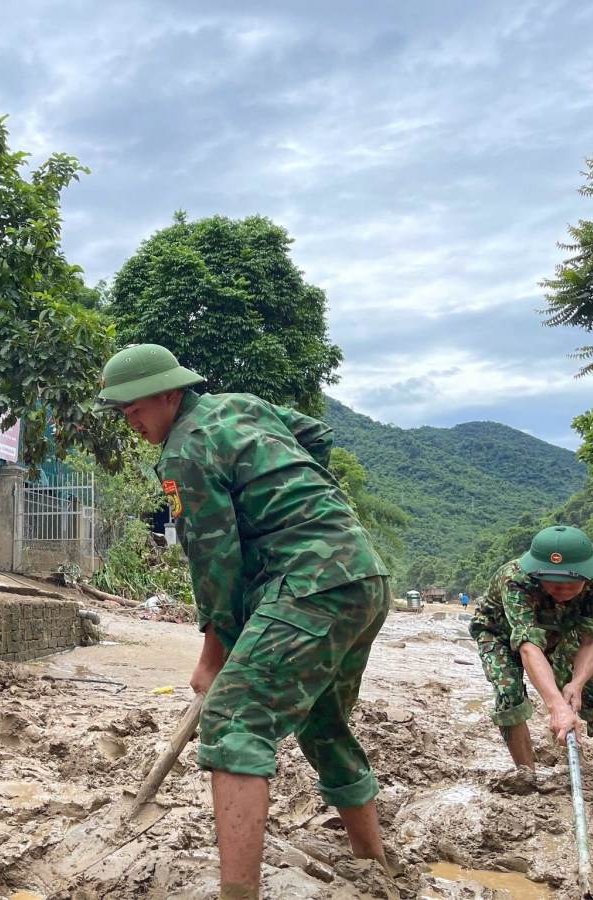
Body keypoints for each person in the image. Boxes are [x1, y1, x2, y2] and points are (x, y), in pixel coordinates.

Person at [94, 344, 392, 899]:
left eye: (136, 408)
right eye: (123, 412)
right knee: (321, 722)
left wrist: (214, 656)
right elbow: (317, 437)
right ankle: (374, 863)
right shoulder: (243, 405)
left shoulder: (185, 451)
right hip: (362, 575)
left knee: (233, 718)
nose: (131, 421)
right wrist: (298, 507)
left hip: (308, 584)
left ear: (170, 394)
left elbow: (215, 559)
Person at [470, 525, 593, 779]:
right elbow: (529, 646)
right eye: (551, 581)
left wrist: (577, 683)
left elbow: (591, 640)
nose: (561, 590)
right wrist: (557, 706)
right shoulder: (516, 580)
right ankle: (527, 778)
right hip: (499, 632)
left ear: (587, 573)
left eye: (571, 582)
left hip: (561, 627)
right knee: (509, 692)